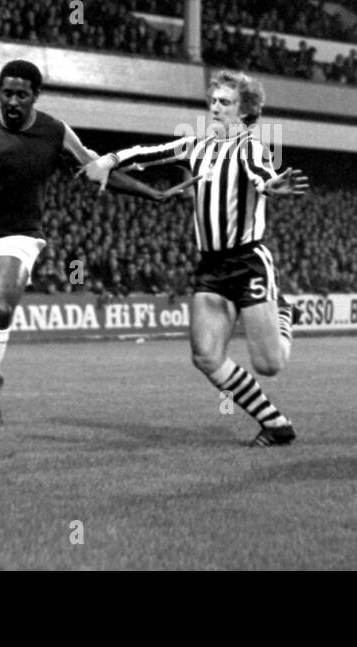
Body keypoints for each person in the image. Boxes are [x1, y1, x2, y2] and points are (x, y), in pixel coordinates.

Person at [0, 59, 167, 453]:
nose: (12, 101)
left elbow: (96, 169)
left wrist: (153, 193)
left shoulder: (55, 132)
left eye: (21, 95)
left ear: (35, 97)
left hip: (19, 236)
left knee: (1, 306)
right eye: (6, 93)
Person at [85, 70, 309, 446]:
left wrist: (273, 186)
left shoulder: (251, 148)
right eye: (214, 100)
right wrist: (108, 160)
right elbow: (146, 153)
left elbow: (261, 176)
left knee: (270, 365)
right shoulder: (197, 147)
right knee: (205, 356)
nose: (215, 107)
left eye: (226, 102)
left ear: (246, 110)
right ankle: (275, 424)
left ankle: (284, 315)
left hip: (247, 262)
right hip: (211, 267)